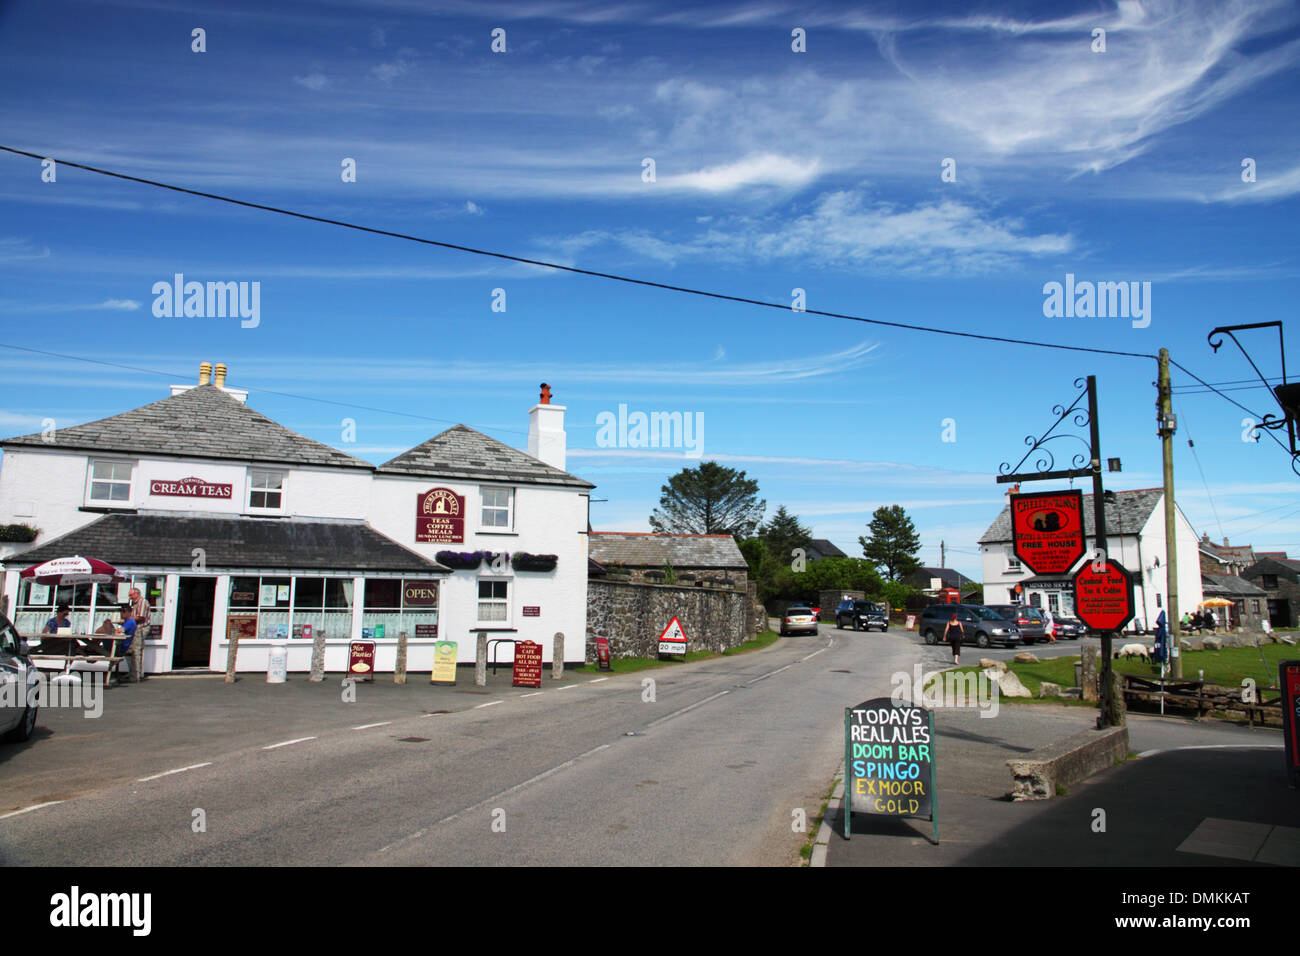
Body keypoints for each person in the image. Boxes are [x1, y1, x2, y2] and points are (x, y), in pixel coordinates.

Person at [128, 586, 151, 681]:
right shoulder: (135, 603)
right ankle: (134, 673)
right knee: (132, 650)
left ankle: (136, 675)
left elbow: (141, 617)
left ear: (137, 594)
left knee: (136, 651)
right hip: (136, 629)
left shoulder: (142, 602)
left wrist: (128, 620)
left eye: (131, 595)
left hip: (141, 628)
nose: (130, 597)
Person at [114, 604, 137, 682]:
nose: (122, 613)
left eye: (123, 611)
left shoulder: (130, 622)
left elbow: (118, 632)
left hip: (123, 646)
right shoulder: (127, 622)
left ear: (129, 612)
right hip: (121, 645)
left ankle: (89, 649)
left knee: (106, 625)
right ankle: (90, 648)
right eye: (121, 611)